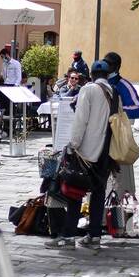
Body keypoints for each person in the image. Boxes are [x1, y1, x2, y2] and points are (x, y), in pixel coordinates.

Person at [47, 60, 115, 249]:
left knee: (74, 191)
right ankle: (94, 236)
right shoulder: (114, 92)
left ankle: (68, 236)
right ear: (108, 75)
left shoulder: (88, 90)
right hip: (106, 150)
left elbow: (81, 120)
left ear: (91, 75)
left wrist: (72, 144)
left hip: (86, 150)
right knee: (99, 192)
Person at [99, 52, 139, 120]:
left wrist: (116, 109)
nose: (106, 66)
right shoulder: (97, 81)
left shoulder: (124, 85)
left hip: (113, 128)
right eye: (104, 63)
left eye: (109, 64)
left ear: (117, 67)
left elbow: (138, 109)